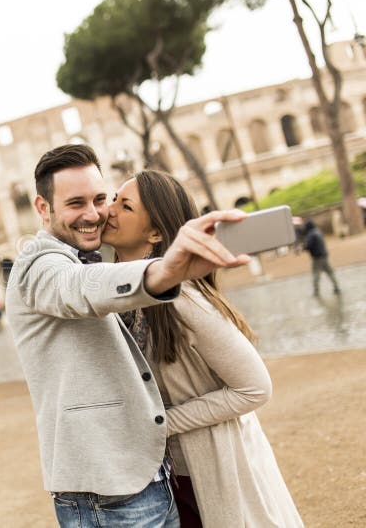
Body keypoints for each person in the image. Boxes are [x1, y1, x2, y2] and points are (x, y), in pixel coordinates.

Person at [5, 145, 250, 528]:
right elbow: (78, 287)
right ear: (43, 207)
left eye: (100, 199)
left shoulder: (93, 257)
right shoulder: (39, 267)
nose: (93, 214)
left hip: (146, 479)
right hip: (108, 495)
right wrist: (161, 271)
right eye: (75, 203)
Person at [101, 169, 303, 527]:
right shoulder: (119, 295)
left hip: (211, 471)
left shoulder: (184, 301)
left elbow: (255, 388)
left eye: (125, 206)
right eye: (114, 198)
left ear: (155, 233)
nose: (109, 209)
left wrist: (161, 424)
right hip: (169, 475)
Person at [302, 219, 340, 297]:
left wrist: (303, 247)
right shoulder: (318, 232)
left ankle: (316, 291)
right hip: (324, 256)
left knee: (316, 274)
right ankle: (336, 287)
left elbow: (308, 246)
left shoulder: (310, 235)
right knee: (330, 273)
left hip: (317, 258)